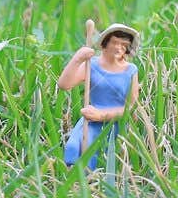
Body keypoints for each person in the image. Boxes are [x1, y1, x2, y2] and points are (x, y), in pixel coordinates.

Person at [57, 23, 139, 170]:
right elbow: (64, 85)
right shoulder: (91, 65)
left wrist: (102, 115)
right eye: (115, 42)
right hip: (90, 120)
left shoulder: (130, 70)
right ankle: (73, 179)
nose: (119, 47)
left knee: (99, 152)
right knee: (74, 146)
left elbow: (132, 107)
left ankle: (92, 179)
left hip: (115, 123)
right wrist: (78, 59)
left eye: (124, 44)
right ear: (105, 44)